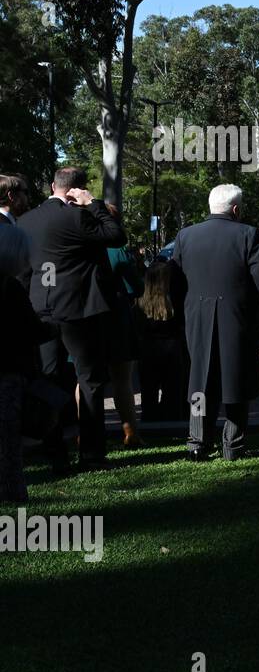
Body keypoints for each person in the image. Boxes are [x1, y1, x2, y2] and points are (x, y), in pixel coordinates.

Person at [18, 166, 126, 471]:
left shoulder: (26, 221)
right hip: (79, 309)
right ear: (78, 189)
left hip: (42, 308)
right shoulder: (79, 217)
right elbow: (116, 236)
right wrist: (93, 203)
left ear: (53, 186)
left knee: (50, 380)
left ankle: (55, 452)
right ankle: (91, 453)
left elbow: (24, 270)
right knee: (90, 380)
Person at [171, 184, 259, 461]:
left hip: (197, 318)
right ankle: (232, 445)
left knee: (199, 381)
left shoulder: (185, 236)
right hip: (237, 317)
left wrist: (181, 316)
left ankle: (197, 442)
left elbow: (175, 282)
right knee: (237, 378)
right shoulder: (247, 234)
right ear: (236, 209)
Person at [1, 225, 50, 503]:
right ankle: (11, 491)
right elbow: (32, 330)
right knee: (9, 441)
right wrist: (52, 328)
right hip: (8, 371)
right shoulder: (11, 288)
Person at [104, 212, 144, 448]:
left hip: (85, 319)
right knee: (122, 379)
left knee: (85, 380)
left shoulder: (76, 245)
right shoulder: (116, 250)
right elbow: (136, 287)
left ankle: (85, 434)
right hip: (116, 318)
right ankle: (130, 432)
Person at [135, 259, 189, 422]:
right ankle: (171, 423)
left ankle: (150, 423)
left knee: (148, 393)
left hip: (147, 350)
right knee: (172, 394)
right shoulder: (174, 304)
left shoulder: (139, 304)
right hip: (172, 349)